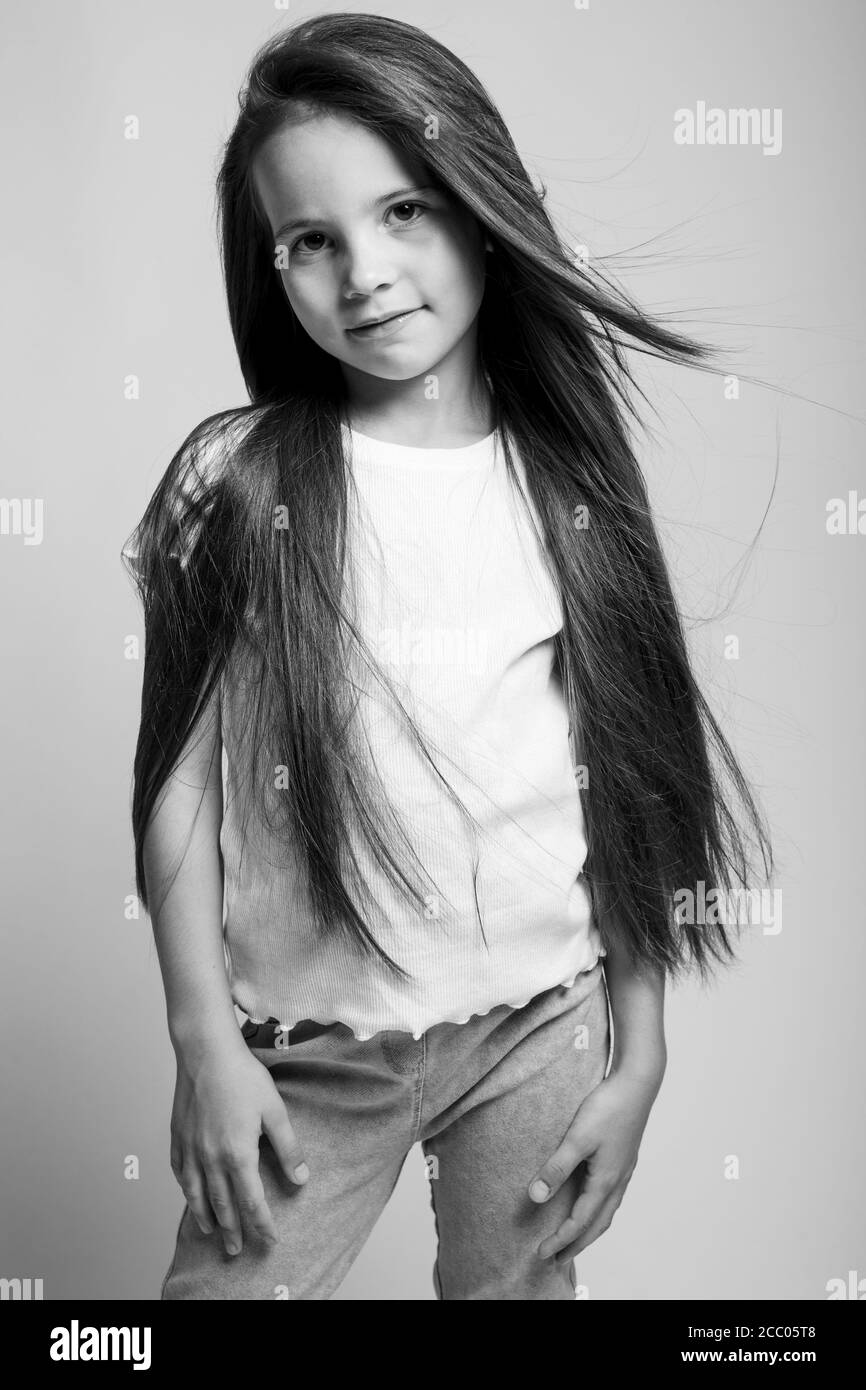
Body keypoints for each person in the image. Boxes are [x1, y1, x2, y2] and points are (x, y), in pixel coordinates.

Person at [123, 12, 773, 1301]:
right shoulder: (240, 484)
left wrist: (636, 1053)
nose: (362, 272)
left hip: (542, 1025)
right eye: (309, 241)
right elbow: (179, 788)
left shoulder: (567, 488)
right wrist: (204, 1039)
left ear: (481, 209)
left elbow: (625, 776)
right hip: (318, 1048)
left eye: (404, 210)